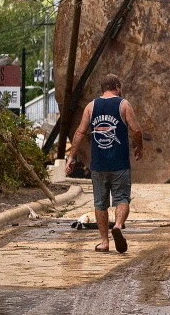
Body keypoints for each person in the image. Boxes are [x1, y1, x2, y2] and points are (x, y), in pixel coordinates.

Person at [66, 74, 143, 253]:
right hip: (120, 163)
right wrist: (139, 147)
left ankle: (104, 242)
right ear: (117, 87)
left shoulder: (91, 107)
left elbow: (79, 133)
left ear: (102, 88)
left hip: (98, 164)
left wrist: (71, 157)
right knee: (122, 199)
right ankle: (117, 225)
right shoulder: (124, 105)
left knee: (100, 203)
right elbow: (136, 130)